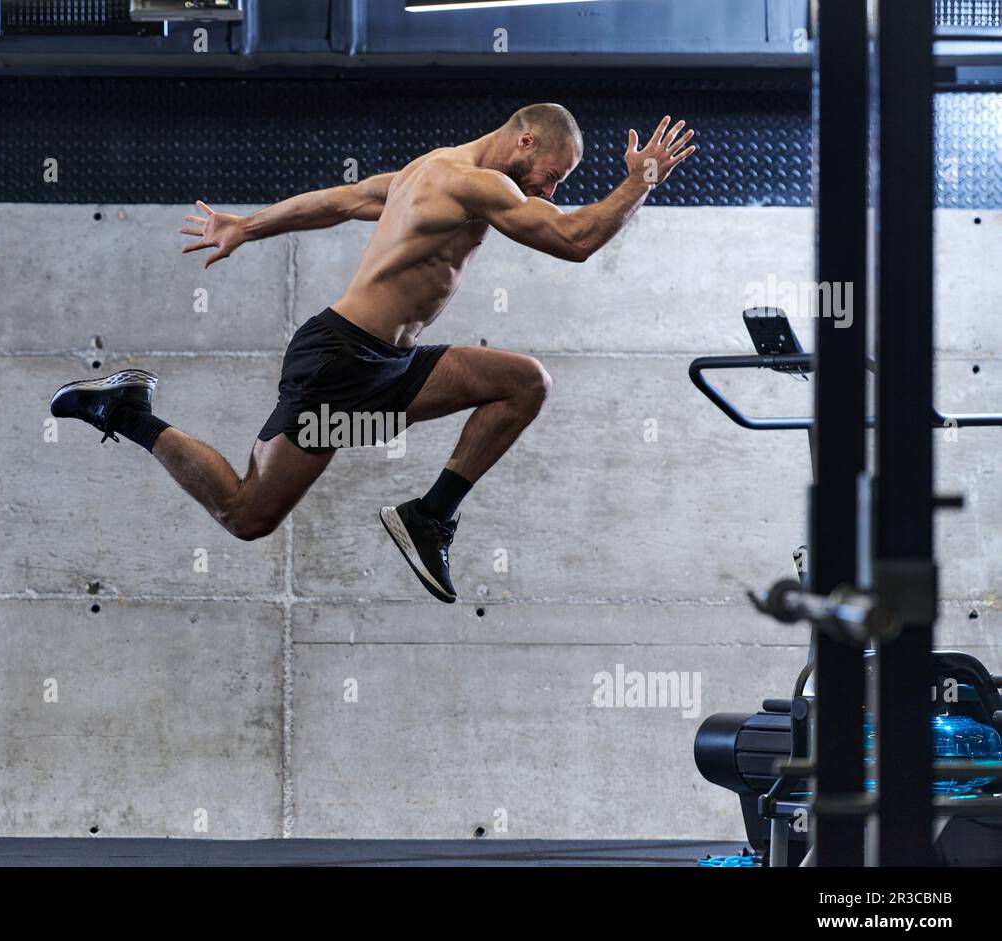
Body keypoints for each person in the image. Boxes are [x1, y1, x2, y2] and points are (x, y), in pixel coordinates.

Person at [50, 104, 696, 603]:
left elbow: (341, 200)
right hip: (339, 364)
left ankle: (427, 516)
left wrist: (248, 224)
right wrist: (641, 181)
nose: (551, 190)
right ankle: (128, 410)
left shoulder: (429, 170)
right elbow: (575, 240)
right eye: (554, 175)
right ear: (526, 140)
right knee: (248, 516)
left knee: (524, 383)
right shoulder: (475, 183)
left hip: (387, 367)